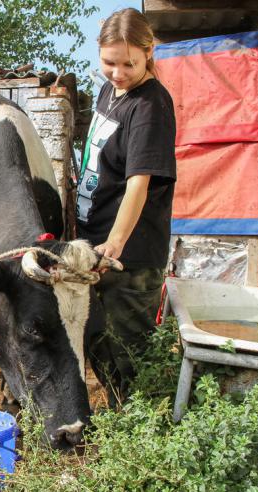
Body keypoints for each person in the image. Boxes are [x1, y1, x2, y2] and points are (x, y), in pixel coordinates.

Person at [76, 8, 176, 407]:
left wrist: (114, 245)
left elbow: (138, 183)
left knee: (129, 356)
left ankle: (144, 427)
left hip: (128, 258)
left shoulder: (150, 105)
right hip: (97, 246)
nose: (117, 73)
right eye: (109, 62)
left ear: (149, 53)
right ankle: (121, 418)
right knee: (99, 343)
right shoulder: (109, 91)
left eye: (129, 64)